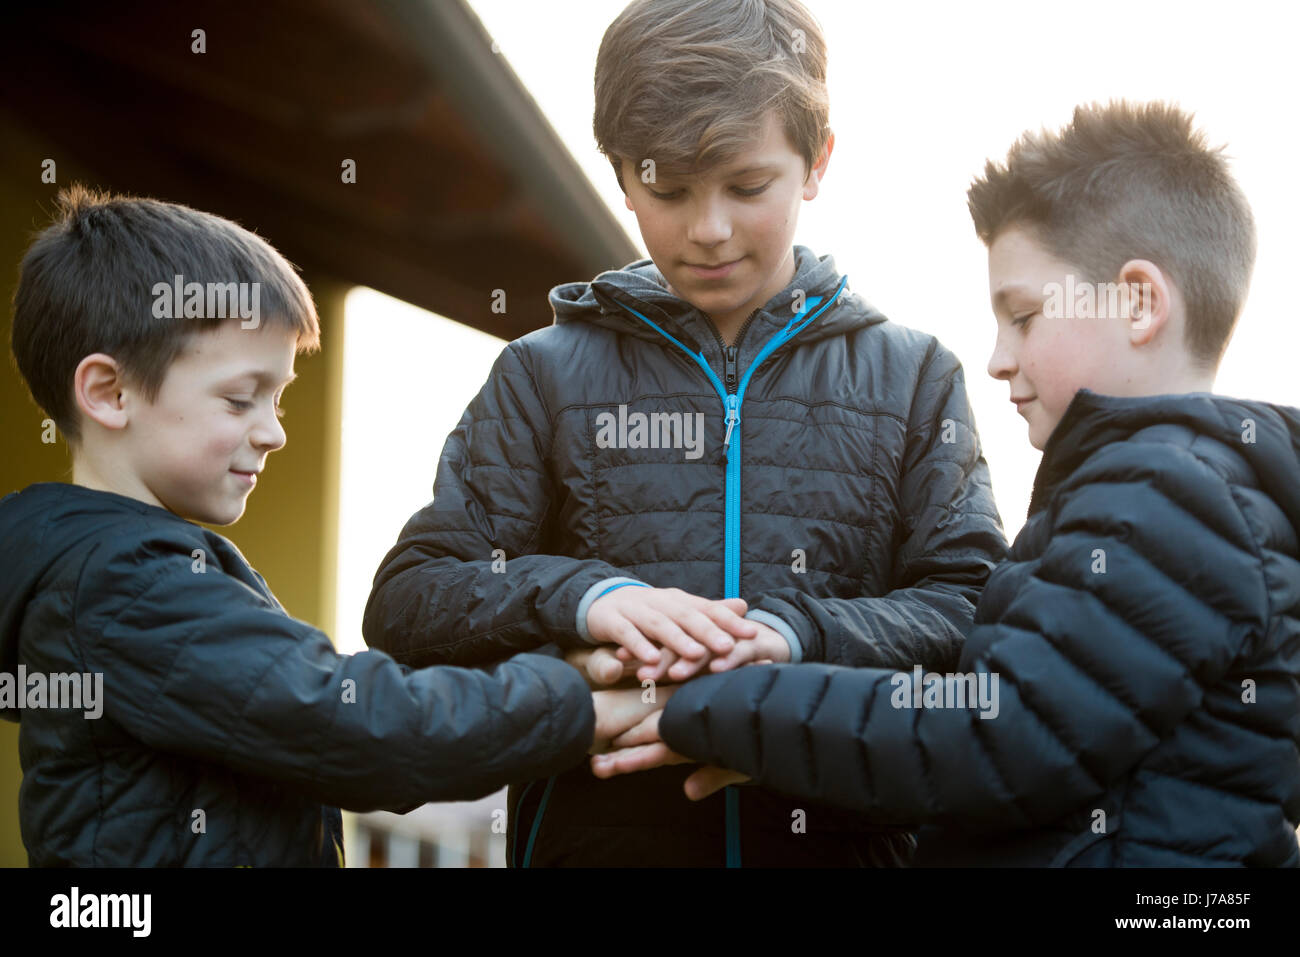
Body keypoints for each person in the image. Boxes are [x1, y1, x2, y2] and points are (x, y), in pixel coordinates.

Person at [363, 0, 1006, 866]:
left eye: (747, 186)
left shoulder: (916, 378)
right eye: (666, 189)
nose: (708, 229)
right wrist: (587, 598)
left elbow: (974, 614)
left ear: (816, 161)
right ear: (621, 177)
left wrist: (797, 643)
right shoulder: (540, 375)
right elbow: (409, 599)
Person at [595, 101, 1300, 867]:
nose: (997, 357)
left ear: (1138, 302)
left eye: (1023, 315)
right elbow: (1048, 765)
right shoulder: (1183, 491)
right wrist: (793, 751)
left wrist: (724, 708)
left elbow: (1000, 737)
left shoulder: (1165, 494)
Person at [0, 186, 660, 866]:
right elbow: (356, 725)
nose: (274, 432)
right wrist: (571, 699)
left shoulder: (112, 571)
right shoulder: (126, 587)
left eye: (278, 398)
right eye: (239, 398)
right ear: (110, 393)